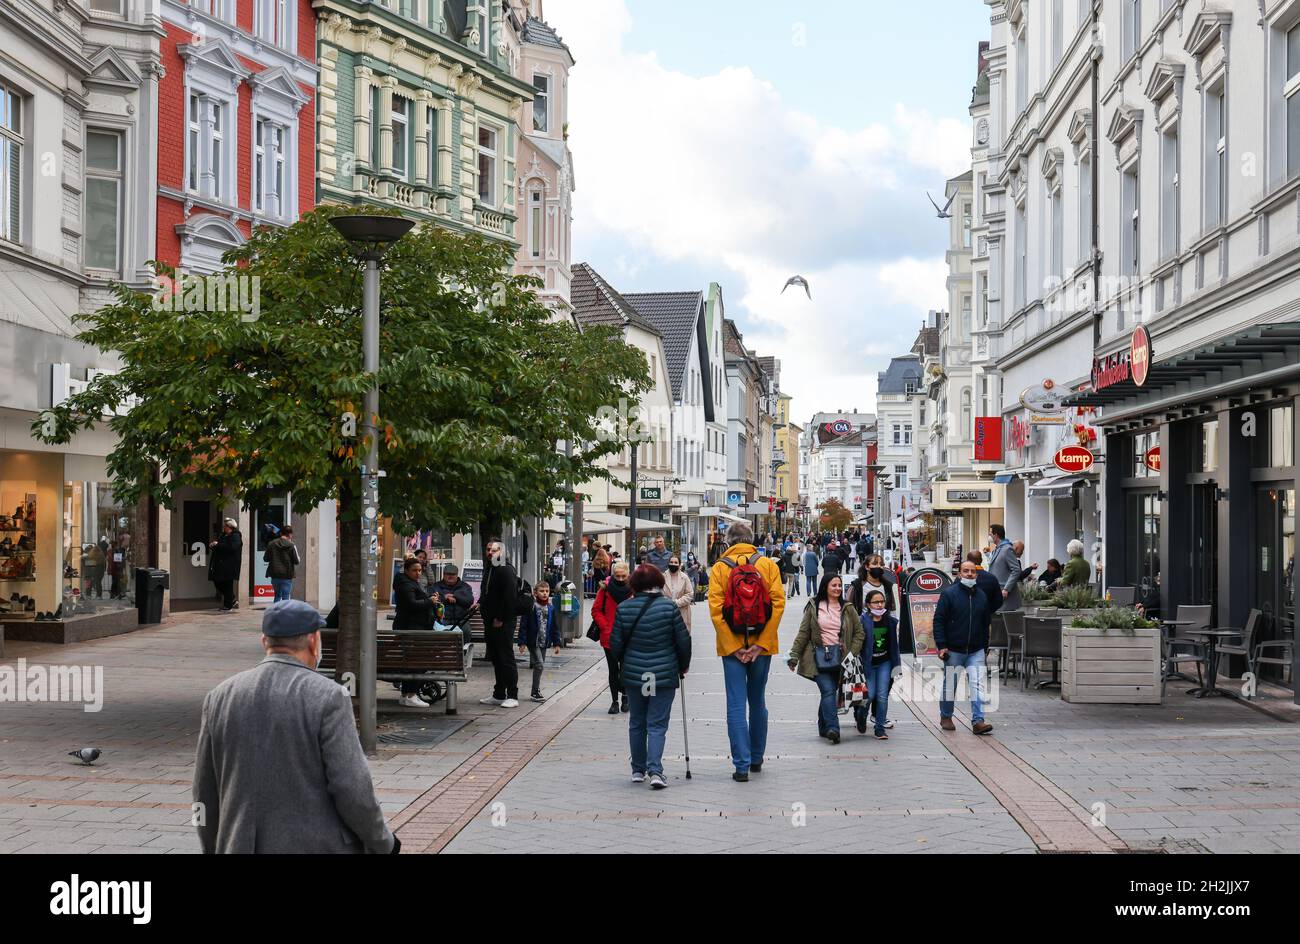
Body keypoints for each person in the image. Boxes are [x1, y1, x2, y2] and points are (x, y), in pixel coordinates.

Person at [192, 599, 398, 854]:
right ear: (313, 641)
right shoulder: (329, 696)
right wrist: (383, 842)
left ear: (264, 641)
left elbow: (204, 793)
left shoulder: (220, 696)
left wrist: (215, 847)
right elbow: (352, 788)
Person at [708, 521, 786, 782]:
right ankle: (756, 758)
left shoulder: (720, 568)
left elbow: (716, 611)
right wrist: (760, 644)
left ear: (727, 541)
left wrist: (734, 647)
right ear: (752, 539)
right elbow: (778, 604)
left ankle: (740, 766)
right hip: (761, 648)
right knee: (758, 701)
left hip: (732, 648)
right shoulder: (767, 565)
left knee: (735, 704)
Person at [609, 564, 692, 789]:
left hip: (637, 674)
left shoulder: (624, 608)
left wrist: (625, 661)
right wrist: (683, 665)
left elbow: (614, 644)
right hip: (663, 674)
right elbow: (683, 641)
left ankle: (638, 769)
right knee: (657, 723)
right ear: (658, 582)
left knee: (637, 721)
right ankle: (655, 771)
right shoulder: (669, 608)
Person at [787, 574, 863, 744]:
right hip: (818, 658)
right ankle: (833, 729)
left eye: (839, 585)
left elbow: (859, 632)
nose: (837, 588)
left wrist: (853, 653)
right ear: (825, 587)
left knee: (830, 692)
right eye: (833, 585)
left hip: (842, 659)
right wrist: (794, 656)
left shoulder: (848, 608)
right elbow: (804, 633)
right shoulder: (814, 606)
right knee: (828, 690)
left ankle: (823, 725)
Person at [933, 559, 994, 735]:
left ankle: (978, 721)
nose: (969, 574)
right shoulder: (949, 594)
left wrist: (985, 645)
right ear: (959, 573)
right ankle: (946, 716)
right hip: (953, 650)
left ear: (976, 574)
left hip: (976, 650)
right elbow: (939, 621)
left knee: (978, 685)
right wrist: (942, 645)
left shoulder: (981, 596)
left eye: (972, 571)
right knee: (950, 685)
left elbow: (985, 623)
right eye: (965, 571)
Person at [478, 539, 520, 708]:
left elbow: (509, 598)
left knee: (506, 657)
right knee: (497, 658)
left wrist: (500, 618)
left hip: (502, 622)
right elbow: (488, 591)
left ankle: (512, 695)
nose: (490, 553)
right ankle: (499, 693)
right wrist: (481, 602)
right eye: (488, 549)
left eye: (494, 550)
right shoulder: (491, 568)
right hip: (490, 620)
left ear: (501, 552)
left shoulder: (505, 570)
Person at [857, 588, 901, 739]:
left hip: (885, 662)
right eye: (876, 602)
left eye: (882, 602)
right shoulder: (862, 621)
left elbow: (895, 646)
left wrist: (897, 666)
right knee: (870, 695)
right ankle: (861, 714)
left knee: (882, 696)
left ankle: (879, 728)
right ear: (868, 604)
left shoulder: (890, 621)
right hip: (868, 663)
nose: (880, 605)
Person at [392, 557, 435, 708]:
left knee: (411, 661)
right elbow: (412, 604)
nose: (418, 573)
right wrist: (430, 602)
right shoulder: (406, 585)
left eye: (419, 570)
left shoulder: (407, 582)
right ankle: (411, 694)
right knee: (416, 661)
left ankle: (406, 695)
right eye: (414, 570)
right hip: (412, 628)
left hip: (412, 626)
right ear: (406, 571)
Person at [594, 561, 633, 713]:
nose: (621, 579)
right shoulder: (604, 589)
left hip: (628, 636)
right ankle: (614, 701)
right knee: (613, 670)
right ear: (613, 575)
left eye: (623, 576)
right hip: (609, 635)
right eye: (617, 576)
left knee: (625, 669)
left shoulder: (634, 590)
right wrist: (605, 626)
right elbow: (596, 610)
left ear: (628, 574)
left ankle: (625, 696)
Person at [517, 581, 561, 702]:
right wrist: (522, 642)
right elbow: (523, 625)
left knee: (539, 666)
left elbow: (555, 627)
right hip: (533, 641)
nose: (545, 593)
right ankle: (535, 692)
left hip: (544, 641)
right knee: (540, 664)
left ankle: (535, 690)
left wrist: (557, 643)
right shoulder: (532, 606)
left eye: (547, 591)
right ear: (535, 593)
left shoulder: (551, 608)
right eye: (542, 591)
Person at [432, 563, 474, 640]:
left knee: (466, 633)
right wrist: (444, 598)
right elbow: (432, 600)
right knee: (437, 635)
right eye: (448, 574)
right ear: (443, 575)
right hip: (441, 620)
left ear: (457, 575)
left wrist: (456, 597)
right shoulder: (436, 586)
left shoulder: (465, 587)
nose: (450, 576)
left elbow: (469, 601)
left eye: (453, 574)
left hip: (461, 620)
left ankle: (463, 651)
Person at [986, 524, 1022, 611]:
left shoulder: (1007, 549)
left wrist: (1006, 589)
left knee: (1005, 622)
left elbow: (1016, 570)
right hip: (997, 592)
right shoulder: (997, 549)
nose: (989, 536)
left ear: (996, 535)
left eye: (990, 534)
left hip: (1005, 594)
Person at [209, 518, 243, 612]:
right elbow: (221, 546)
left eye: (225, 526)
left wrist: (218, 545)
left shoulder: (235, 536)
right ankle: (231, 599)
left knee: (227, 584)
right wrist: (214, 545)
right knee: (218, 582)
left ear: (230, 527)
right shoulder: (223, 535)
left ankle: (228, 606)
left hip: (230, 565)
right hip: (221, 564)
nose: (223, 527)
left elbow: (232, 547)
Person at [264, 525, 301, 604]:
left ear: (281, 533)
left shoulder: (271, 544)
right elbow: (296, 561)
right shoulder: (291, 545)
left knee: (277, 595)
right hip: (286, 575)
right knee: (285, 596)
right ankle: (285, 614)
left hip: (275, 574)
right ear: (290, 534)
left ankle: (275, 614)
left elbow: (265, 558)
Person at [967, 551, 1005, 618]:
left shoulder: (961, 578)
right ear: (981, 560)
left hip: (965, 618)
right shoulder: (992, 578)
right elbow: (999, 601)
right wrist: (988, 611)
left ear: (967, 561)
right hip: (984, 617)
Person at [662, 554, 695, 630]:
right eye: (671, 562)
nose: (673, 564)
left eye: (675, 562)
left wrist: (677, 603)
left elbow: (690, 594)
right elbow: (659, 593)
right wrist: (668, 603)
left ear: (679, 565)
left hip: (682, 612)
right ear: (668, 563)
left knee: (681, 637)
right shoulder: (662, 577)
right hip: (666, 612)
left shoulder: (684, 577)